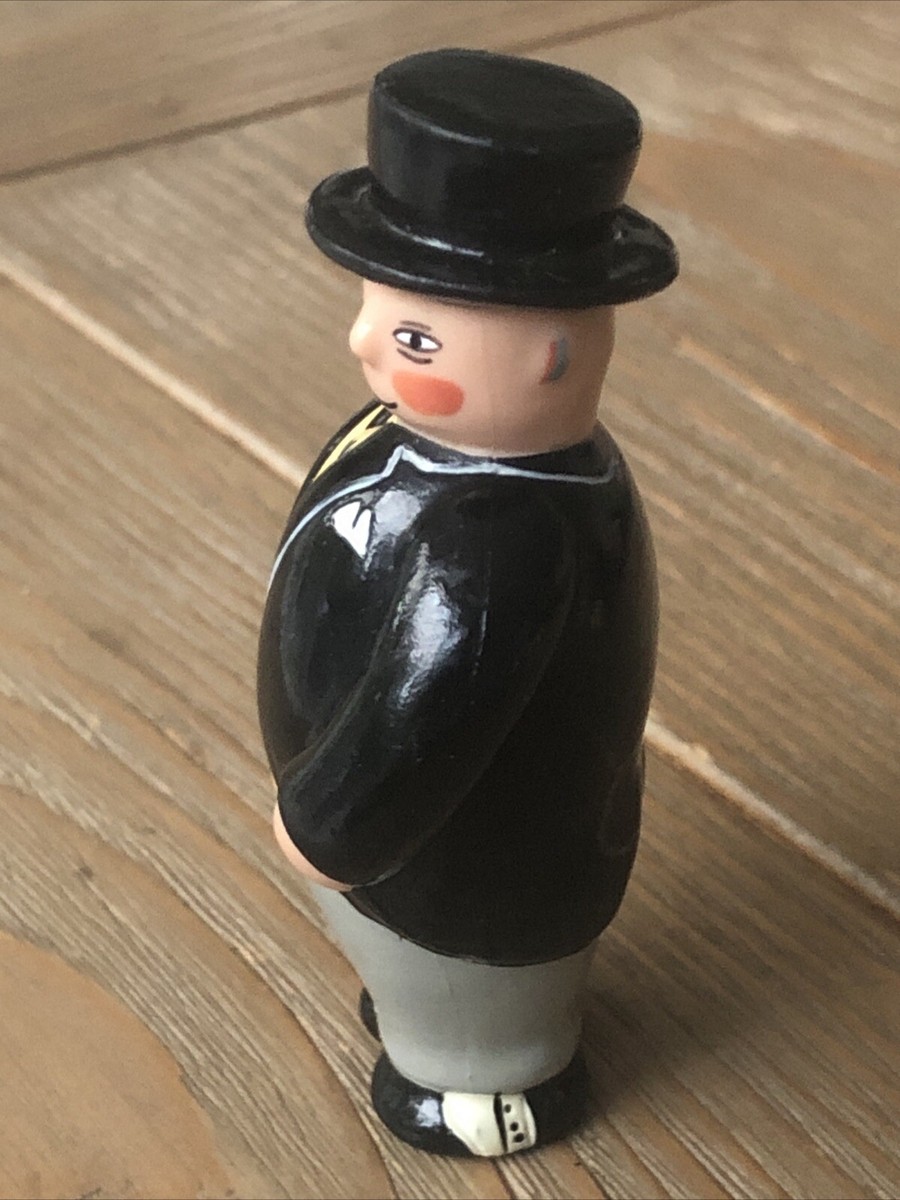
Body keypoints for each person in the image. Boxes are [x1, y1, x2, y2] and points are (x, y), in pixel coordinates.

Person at [258, 48, 677, 1157]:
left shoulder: (501, 546)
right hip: (394, 845)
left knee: (472, 976)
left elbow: (429, 715)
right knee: (408, 952)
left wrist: (330, 823)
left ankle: (491, 1072)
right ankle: (424, 1007)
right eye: (376, 312)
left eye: (415, 340)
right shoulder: (418, 440)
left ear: (549, 359)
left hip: (459, 857)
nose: (364, 346)